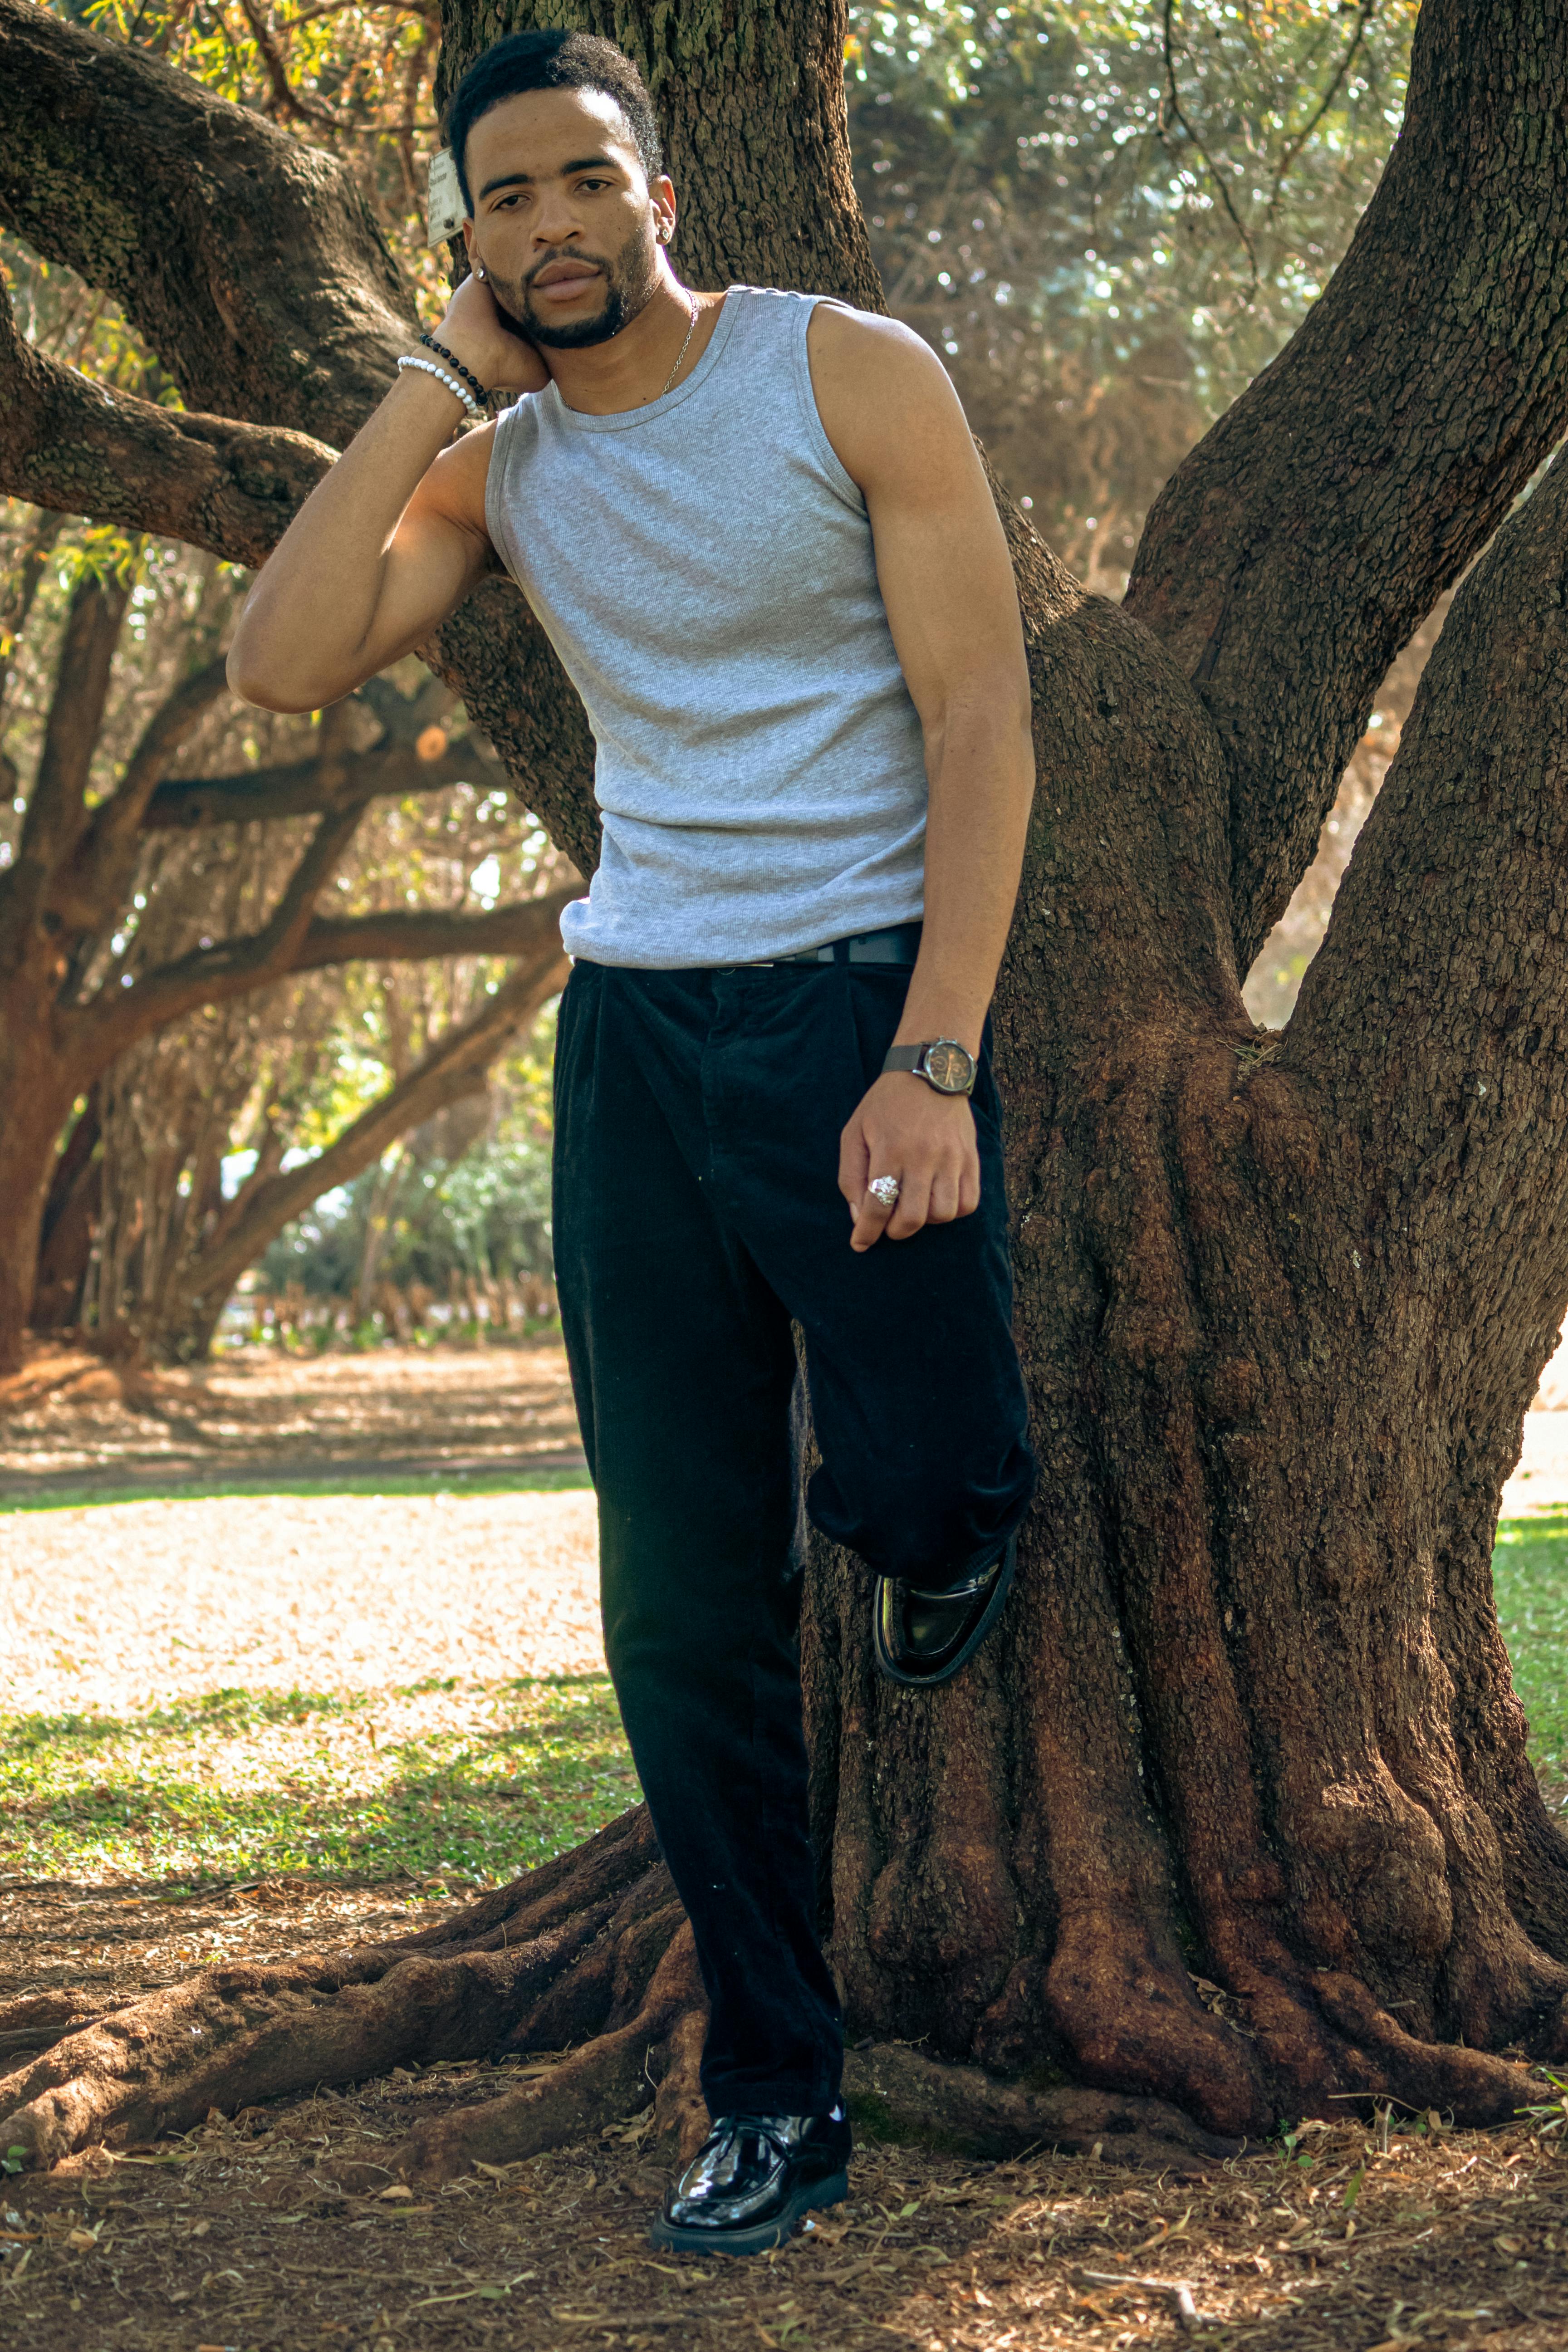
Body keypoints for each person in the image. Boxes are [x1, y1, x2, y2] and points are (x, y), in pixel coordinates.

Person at [228, 26, 1037, 2258]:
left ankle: (937, 1528)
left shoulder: (847, 374)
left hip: (858, 1002)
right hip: (639, 1040)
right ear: (470, 240)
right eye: (506, 197)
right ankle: (778, 2093)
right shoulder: (500, 473)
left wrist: (933, 1056)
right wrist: (430, 382)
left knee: (933, 1478)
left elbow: (983, 716)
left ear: (657, 193)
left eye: (586, 178)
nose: (554, 223)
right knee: (681, 1598)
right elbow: (280, 659)